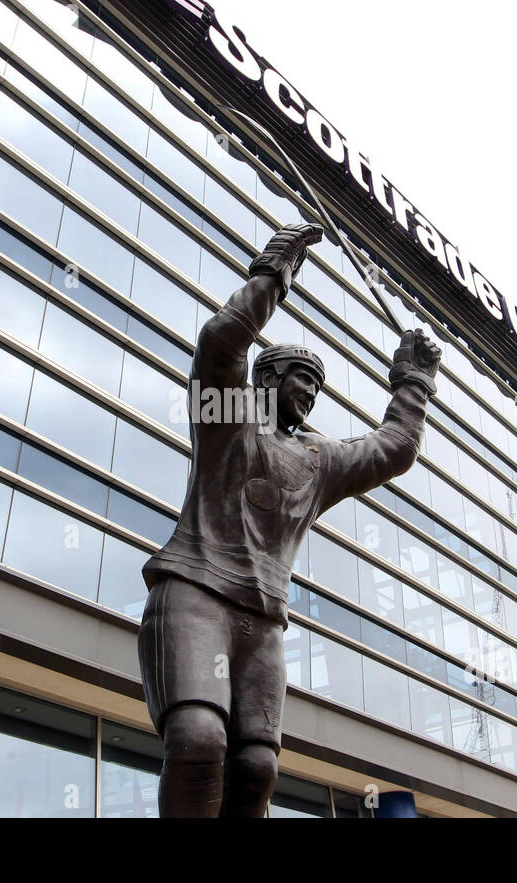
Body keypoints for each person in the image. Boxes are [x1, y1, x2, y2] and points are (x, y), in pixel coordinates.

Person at [139, 223, 441, 816]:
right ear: (268, 378)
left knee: (256, 767)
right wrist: (276, 269)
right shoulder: (227, 419)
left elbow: (394, 449)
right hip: (195, 593)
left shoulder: (321, 458)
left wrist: (414, 381)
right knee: (199, 740)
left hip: (264, 619)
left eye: (318, 387)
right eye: (304, 380)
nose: (311, 395)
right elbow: (221, 342)